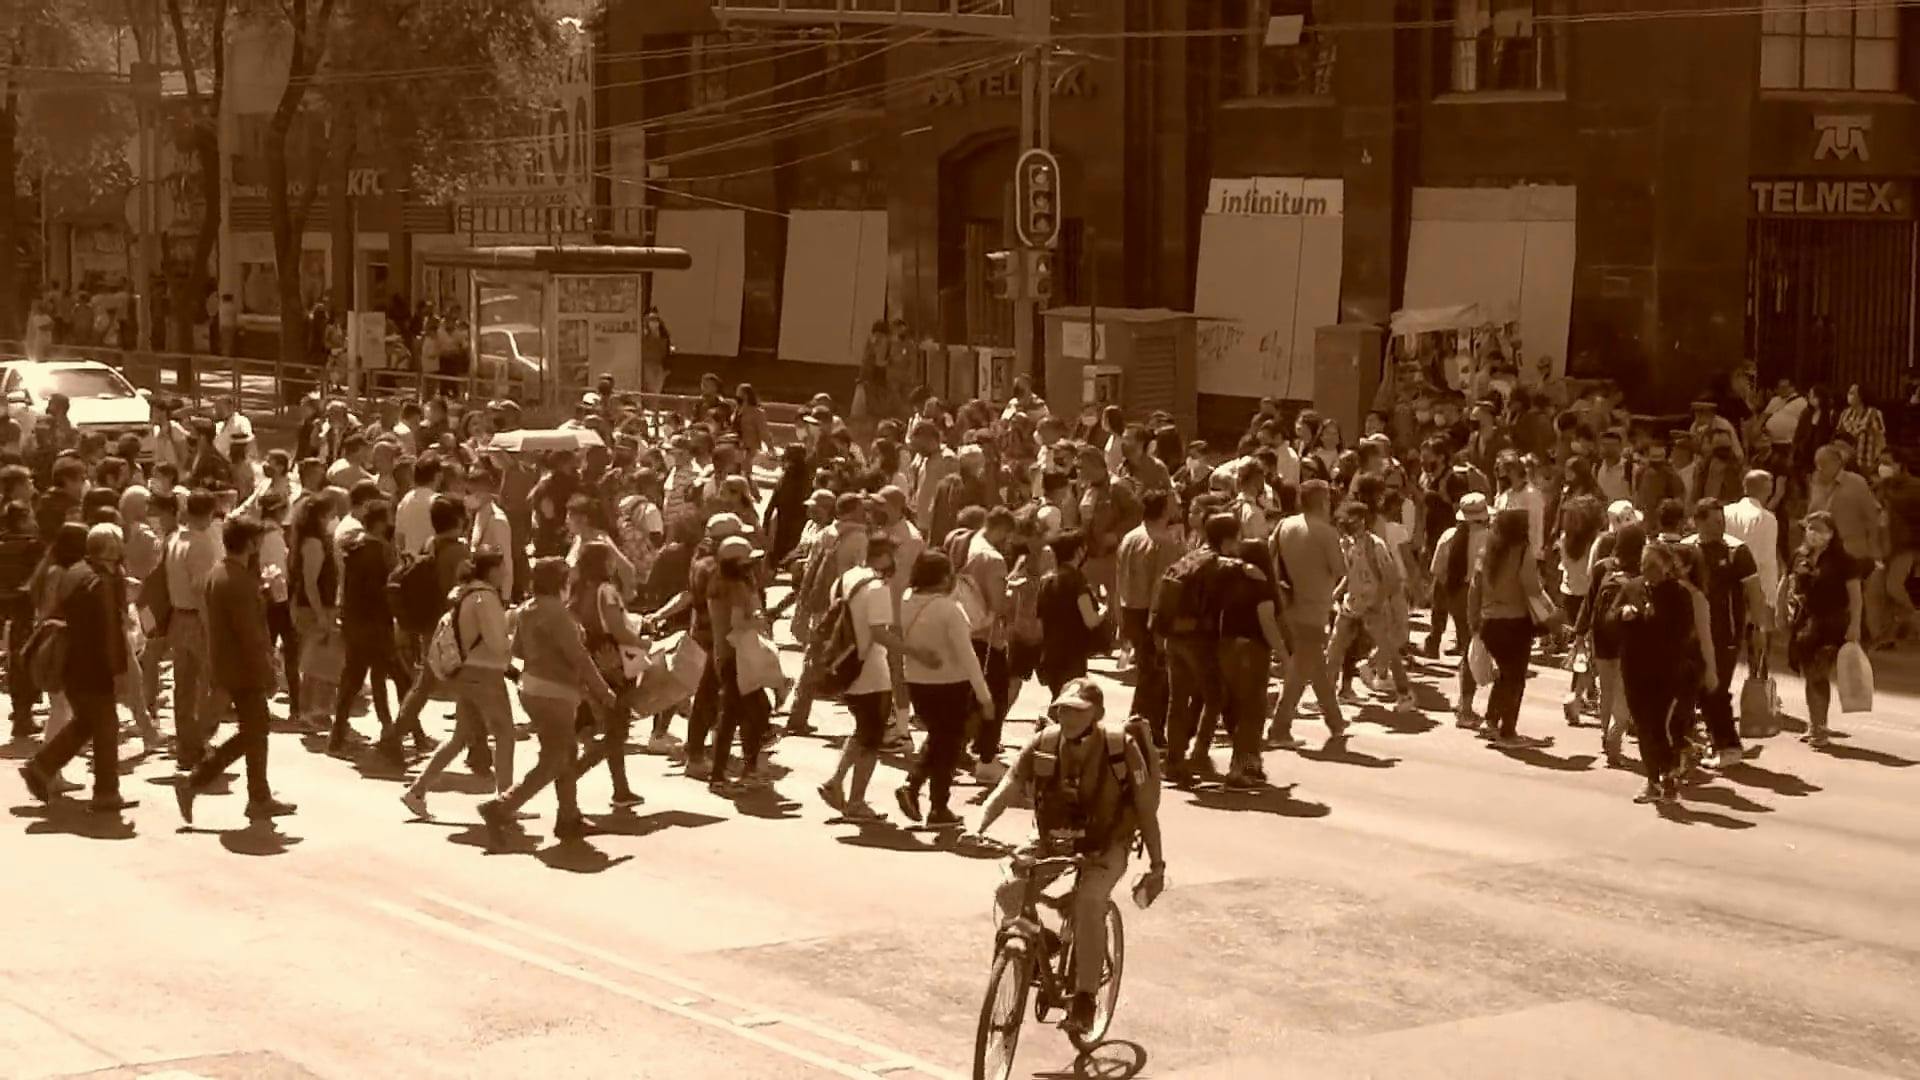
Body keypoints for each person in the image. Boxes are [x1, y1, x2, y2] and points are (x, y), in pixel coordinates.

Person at [972, 679, 1166, 1035]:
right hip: (1054, 838)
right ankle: (1041, 946)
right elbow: (1010, 785)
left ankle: (1085, 1001)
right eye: (1064, 708)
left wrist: (1157, 865)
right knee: (1009, 890)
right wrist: (979, 823)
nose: (1069, 716)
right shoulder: (1044, 743)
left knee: (1090, 902)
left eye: (1079, 710)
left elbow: (1144, 809)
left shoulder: (1118, 748)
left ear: (1098, 714)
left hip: (1107, 843)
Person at [478, 557, 615, 844]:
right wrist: (602, 691)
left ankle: (569, 817)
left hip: (532, 689)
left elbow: (519, 650)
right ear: (561, 583)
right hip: (556, 694)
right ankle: (502, 806)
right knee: (554, 760)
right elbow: (579, 657)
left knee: (564, 754)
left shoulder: (526, 611)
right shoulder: (559, 614)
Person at [176, 515, 296, 824]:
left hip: (231, 666)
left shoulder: (222, 573)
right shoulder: (237, 581)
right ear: (250, 544)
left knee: (254, 732)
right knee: (254, 732)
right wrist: (269, 673)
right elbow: (251, 635)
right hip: (244, 669)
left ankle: (257, 795)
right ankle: (203, 782)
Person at [19, 525, 132, 813]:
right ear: (109, 549)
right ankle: (106, 793)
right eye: (118, 545)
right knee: (105, 727)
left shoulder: (76, 572)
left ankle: (41, 768)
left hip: (73, 663)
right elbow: (110, 631)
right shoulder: (99, 581)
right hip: (94, 666)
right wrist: (120, 670)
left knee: (86, 723)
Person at [400, 549, 515, 817]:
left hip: (465, 674)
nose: (506, 573)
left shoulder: (464, 594)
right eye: (502, 568)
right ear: (491, 570)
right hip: (486, 674)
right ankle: (506, 800)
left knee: (460, 738)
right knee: (505, 734)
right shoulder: (485, 597)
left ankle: (417, 791)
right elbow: (497, 643)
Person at [895, 550, 994, 828]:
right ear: (942, 578)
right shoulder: (950, 609)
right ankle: (933, 802)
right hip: (950, 685)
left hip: (916, 681)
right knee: (948, 745)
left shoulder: (905, 600)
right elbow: (968, 656)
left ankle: (919, 791)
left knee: (939, 739)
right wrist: (985, 697)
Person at [1619, 540, 1713, 804]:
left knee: (1660, 726)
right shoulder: (1631, 588)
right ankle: (1653, 779)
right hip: (1634, 670)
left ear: (1666, 567)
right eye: (1643, 564)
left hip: (1666, 672)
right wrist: (1622, 614)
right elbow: (1607, 621)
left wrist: (1650, 618)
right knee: (1643, 727)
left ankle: (1667, 776)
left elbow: (1682, 634)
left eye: (1653, 565)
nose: (1646, 571)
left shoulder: (1678, 594)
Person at [817, 535, 902, 819]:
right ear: (884, 555)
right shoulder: (877, 587)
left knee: (862, 731)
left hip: (846, 668)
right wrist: (915, 650)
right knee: (872, 740)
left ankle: (836, 782)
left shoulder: (846, 579)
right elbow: (880, 633)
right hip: (871, 673)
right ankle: (856, 802)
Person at [1683, 499, 1764, 768]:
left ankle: (1728, 746)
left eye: (1723, 521)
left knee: (1715, 689)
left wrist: (1758, 629)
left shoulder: (1736, 551)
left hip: (1725, 634)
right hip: (1690, 634)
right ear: (1698, 521)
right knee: (1690, 691)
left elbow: (1754, 594)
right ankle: (1698, 744)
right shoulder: (1687, 548)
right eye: (1715, 521)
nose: (1721, 526)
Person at [1467, 507, 1555, 748]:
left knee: (1505, 675)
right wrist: (1551, 615)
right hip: (1515, 623)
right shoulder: (1522, 552)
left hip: (1489, 623)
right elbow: (1531, 589)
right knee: (1515, 679)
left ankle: (1491, 720)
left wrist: (1473, 620)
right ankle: (1508, 732)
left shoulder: (1485, 551)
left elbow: (1474, 588)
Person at [1270, 481, 1347, 747]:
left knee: (1316, 667)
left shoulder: (1285, 525)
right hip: (1313, 608)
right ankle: (1279, 728)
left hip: (1287, 605)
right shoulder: (1327, 533)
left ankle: (1335, 722)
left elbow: (1271, 557)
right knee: (1301, 671)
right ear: (1323, 501)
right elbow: (1339, 568)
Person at [1778, 510, 1862, 749]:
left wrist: (1855, 625)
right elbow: (1785, 582)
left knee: (1818, 674)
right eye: (1810, 528)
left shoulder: (1844, 560)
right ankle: (1814, 723)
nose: (1814, 533)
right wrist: (1780, 612)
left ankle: (1820, 727)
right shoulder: (1799, 555)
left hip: (1832, 624)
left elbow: (1855, 596)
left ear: (1831, 534)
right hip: (1805, 623)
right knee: (1808, 673)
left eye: (1820, 529)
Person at [165, 491, 226, 771]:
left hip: (178, 616)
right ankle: (198, 742)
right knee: (211, 684)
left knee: (184, 688)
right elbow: (202, 591)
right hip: (197, 619)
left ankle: (186, 745)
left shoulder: (175, 539)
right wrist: (212, 628)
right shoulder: (201, 543)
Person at [1113, 489, 1179, 745]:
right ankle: (1145, 727)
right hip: (1150, 613)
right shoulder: (1163, 542)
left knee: (1146, 672)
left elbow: (1118, 579)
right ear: (1164, 510)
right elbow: (1160, 587)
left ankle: (1140, 724)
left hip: (1130, 608)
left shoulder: (1130, 537)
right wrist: (1158, 624)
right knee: (1156, 676)